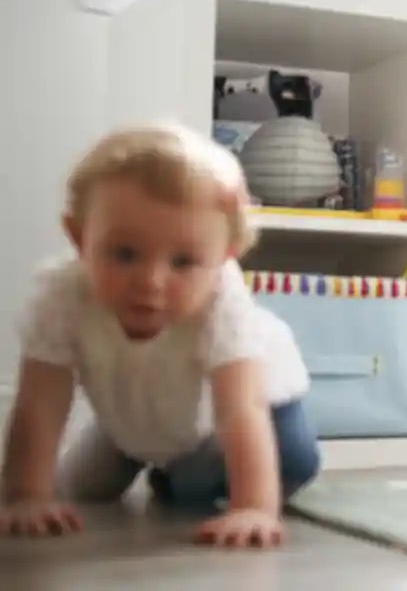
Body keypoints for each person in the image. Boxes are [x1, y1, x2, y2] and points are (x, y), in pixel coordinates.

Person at [0, 122, 319, 548]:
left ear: (225, 255)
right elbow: (39, 404)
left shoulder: (224, 302)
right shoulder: (62, 294)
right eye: (124, 254)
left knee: (290, 462)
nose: (150, 281)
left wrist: (253, 508)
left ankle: (177, 476)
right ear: (79, 238)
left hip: (246, 410)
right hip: (133, 413)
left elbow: (240, 409)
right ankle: (151, 456)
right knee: (79, 489)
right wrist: (26, 496)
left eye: (183, 262)